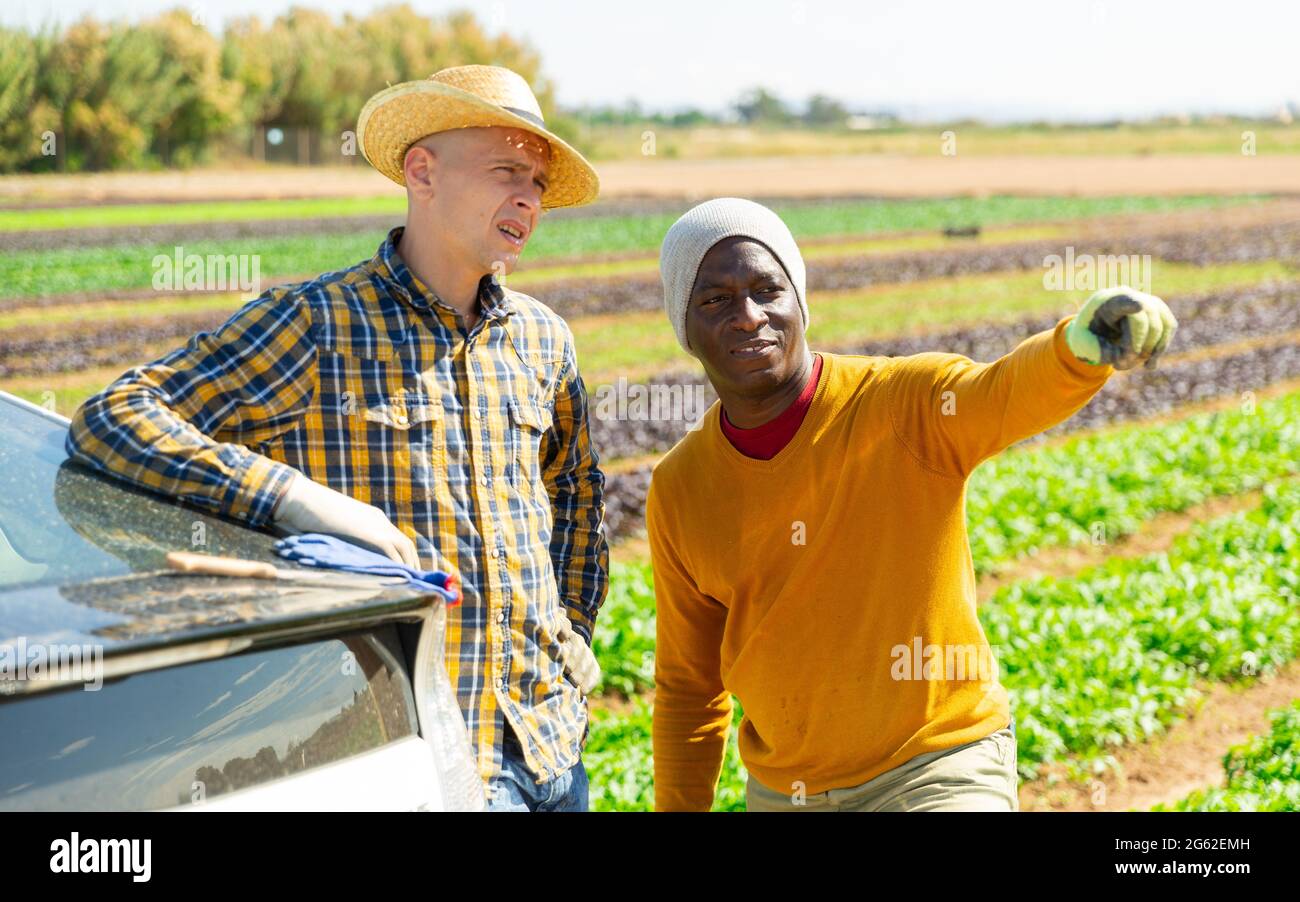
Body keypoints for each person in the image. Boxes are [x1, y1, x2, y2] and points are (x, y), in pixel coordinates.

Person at [64, 64, 609, 812]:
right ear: (423, 171)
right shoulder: (317, 324)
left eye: (540, 184)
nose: (529, 197)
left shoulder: (544, 341)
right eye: (508, 170)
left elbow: (575, 493)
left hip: (551, 746)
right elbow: (118, 416)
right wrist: (299, 501)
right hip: (430, 759)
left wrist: (572, 626)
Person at [647, 197, 1177, 811]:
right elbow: (689, 687)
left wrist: (1077, 351)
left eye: (768, 289)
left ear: (799, 302)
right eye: (715, 299)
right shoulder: (683, 487)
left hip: (937, 767)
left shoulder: (904, 404)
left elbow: (1003, 393)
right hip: (786, 792)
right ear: (684, 324)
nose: (748, 316)